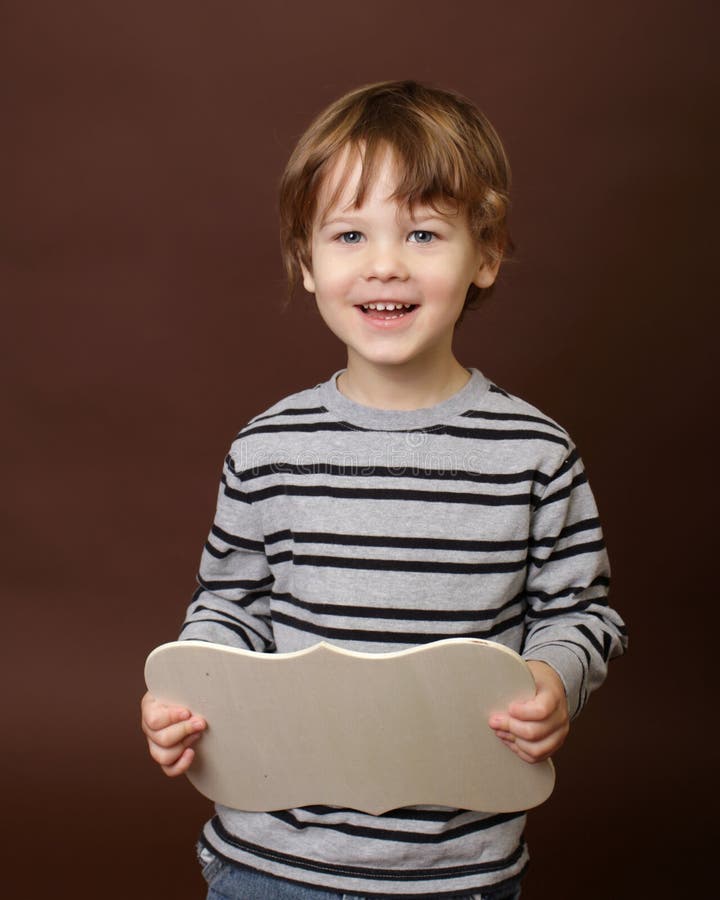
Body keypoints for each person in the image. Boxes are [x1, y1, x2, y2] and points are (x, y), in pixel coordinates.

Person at [141, 80, 628, 899]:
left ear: (488, 253)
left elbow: (583, 612)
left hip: (456, 867)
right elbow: (229, 605)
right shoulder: (268, 447)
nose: (384, 264)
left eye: (425, 232)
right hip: (270, 861)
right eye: (349, 233)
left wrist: (552, 678)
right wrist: (192, 693)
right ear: (306, 261)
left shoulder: (533, 452)